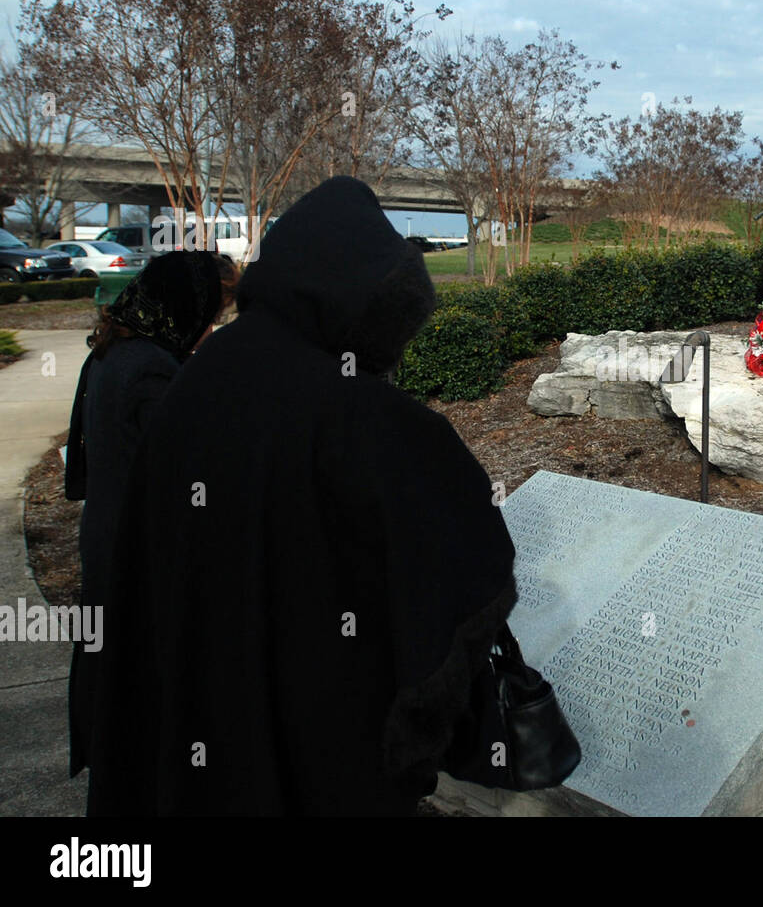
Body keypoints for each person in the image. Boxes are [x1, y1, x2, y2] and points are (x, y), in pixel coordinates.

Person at [85, 176, 518, 815]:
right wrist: (414, 743)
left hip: (187, 718)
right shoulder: (362, 414)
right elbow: (468, 572)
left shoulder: (199, 376)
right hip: (318, 745)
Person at [65, 249, 232, 779]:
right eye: (209, 316)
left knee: (111, 665)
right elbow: (184, 471)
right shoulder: (155, 371)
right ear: (182, 308)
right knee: (142, 678)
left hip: (108, 533)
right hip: (140, 548)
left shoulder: (112, 353)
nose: (209, 330)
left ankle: (118, 763)